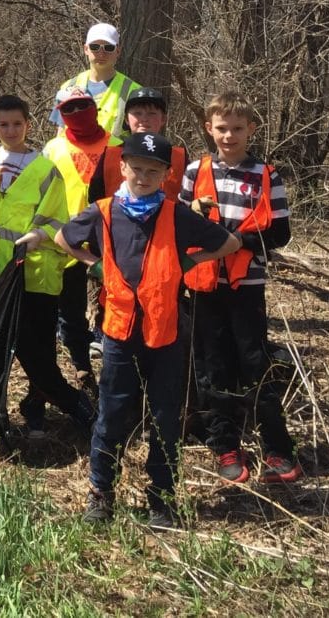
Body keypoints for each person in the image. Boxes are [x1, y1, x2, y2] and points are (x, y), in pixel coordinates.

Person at [56, 132, 240, 529]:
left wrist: (189, 265)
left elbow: (228, 242)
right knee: (112, 413)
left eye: (153, 171)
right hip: (119, 331)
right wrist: (96, 266)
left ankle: (161, 498)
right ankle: (101, 494)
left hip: (166, 332)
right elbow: (62, 238)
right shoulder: (103, 211)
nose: (143, 177)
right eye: (137, 168)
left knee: (164, 416)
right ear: (122, 167)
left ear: (164, 175)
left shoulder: (176, 214)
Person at [180, 92, 301, 485]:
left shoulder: (266, 175)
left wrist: (238, 243)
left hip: (246, 286)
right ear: (208, 129)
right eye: (221, 129)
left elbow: (279, 232)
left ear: (251, 129)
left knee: (255, 363)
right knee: (211, 365)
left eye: (237, 129)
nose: (228, 136)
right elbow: (180, 224)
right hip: (203, 285)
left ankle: (279, 450)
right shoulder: (194, 171)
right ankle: (225, 446)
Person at [0, 94, 92, 438]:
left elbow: (60, 220)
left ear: (29, 124)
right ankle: (37, 408)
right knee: (21, 346)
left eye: (18, 123)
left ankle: (78, 409)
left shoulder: (43, 168)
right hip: (2, 269)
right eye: (4, 124)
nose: (11, 130)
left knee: (34, 348)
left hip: (38, 272)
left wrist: (40, 233)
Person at [42, 87, 120, 384]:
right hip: (68, 242)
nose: (76, 114)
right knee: (71, 309)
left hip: (111, 239)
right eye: (69, 109)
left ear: (95, 107)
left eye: (82, 106)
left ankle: (118, 371)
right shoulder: (53, 149)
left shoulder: (118, 145)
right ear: (60, 114)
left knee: (113, 308)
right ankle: (81, 364)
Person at [88, 87, 189, 202]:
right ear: (126, 119)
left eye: (152, 114)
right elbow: (95, 198)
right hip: (116, 218)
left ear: (163, 119)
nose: (144, 119)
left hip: (168, 219)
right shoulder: (110, 155)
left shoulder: (179, 157)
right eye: (137, 113)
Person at [51, 23, 138, 139]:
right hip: (73, 156)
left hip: (114, 156)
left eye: (108, 48)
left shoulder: (134, 91)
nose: (101, 53)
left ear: (118, 51)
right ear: (86, 49)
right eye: (95, 47)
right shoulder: (67, 87)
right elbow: (60, 134)